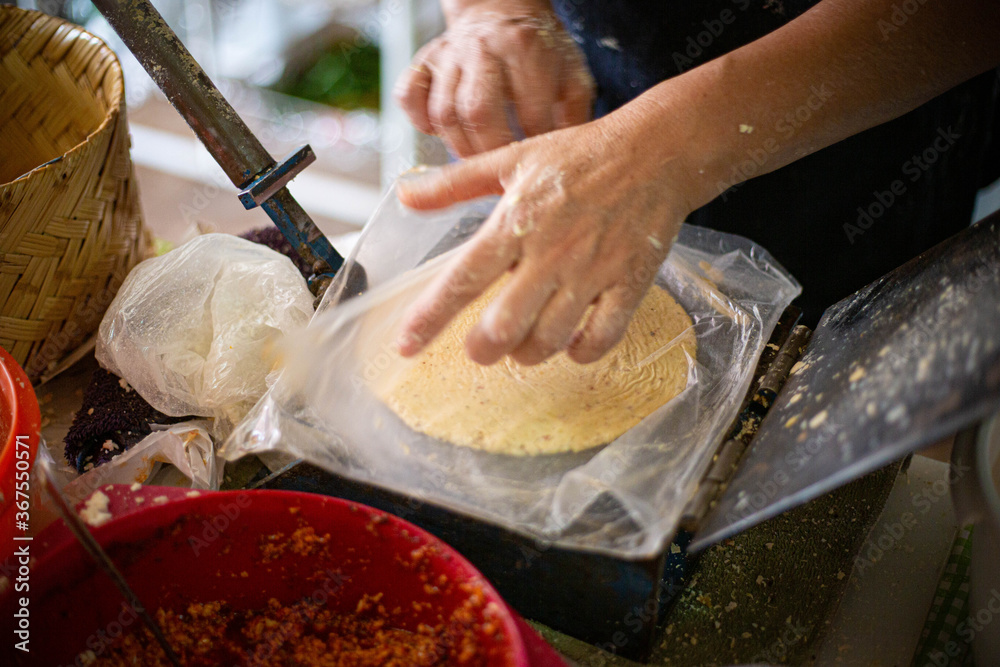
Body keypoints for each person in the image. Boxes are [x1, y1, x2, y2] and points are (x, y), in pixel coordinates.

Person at [391, 0, 1000, 367]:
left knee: (817, 387)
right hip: (599, 95)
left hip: (853, 145)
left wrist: (657, 153)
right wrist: (496, 12)